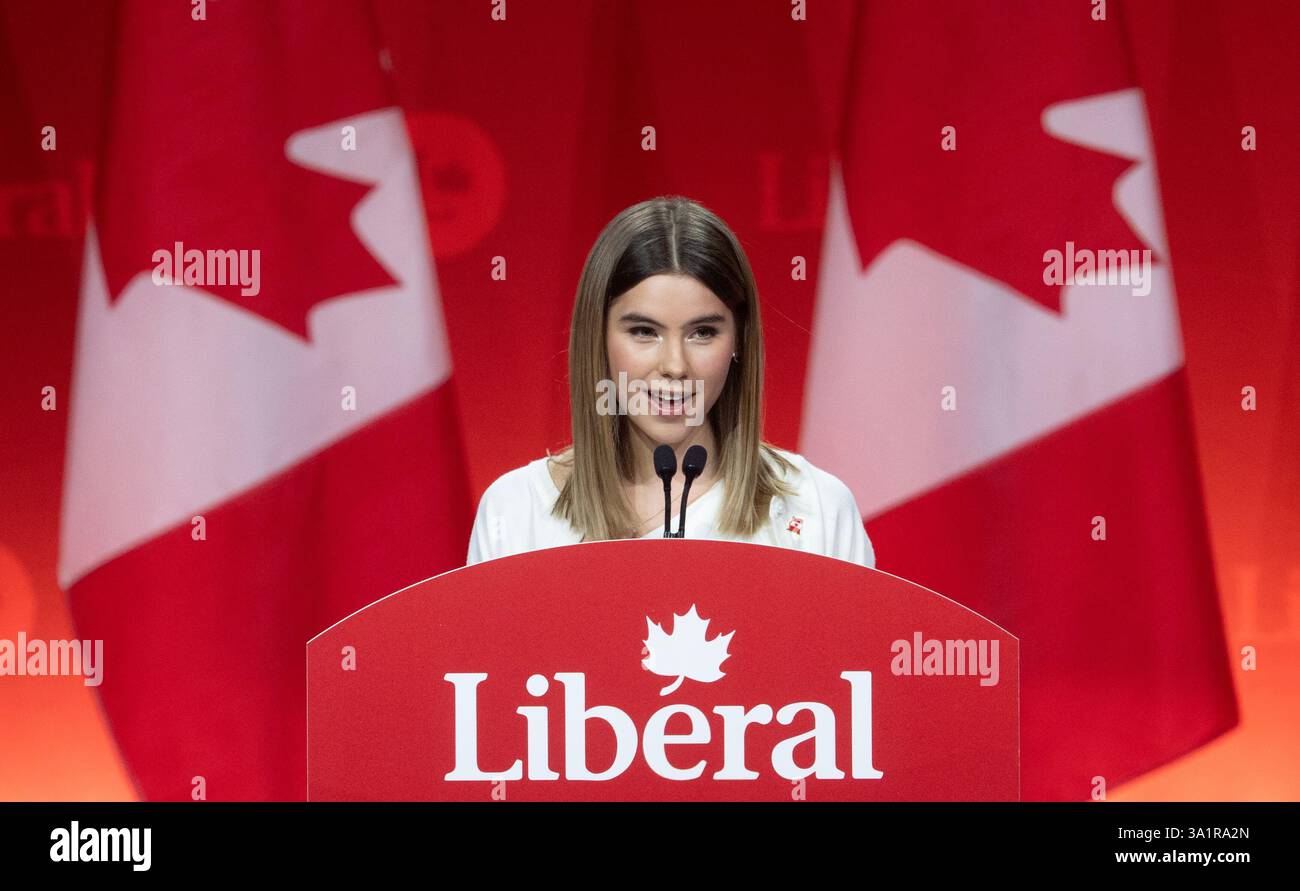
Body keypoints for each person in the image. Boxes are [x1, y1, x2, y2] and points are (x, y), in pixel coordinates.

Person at [466, 195, 875, 569]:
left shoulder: (816, 508)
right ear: (598, 338)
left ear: (739, 341)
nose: (675, 365)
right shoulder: (515, 513)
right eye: (645, 331)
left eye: (703, 333)